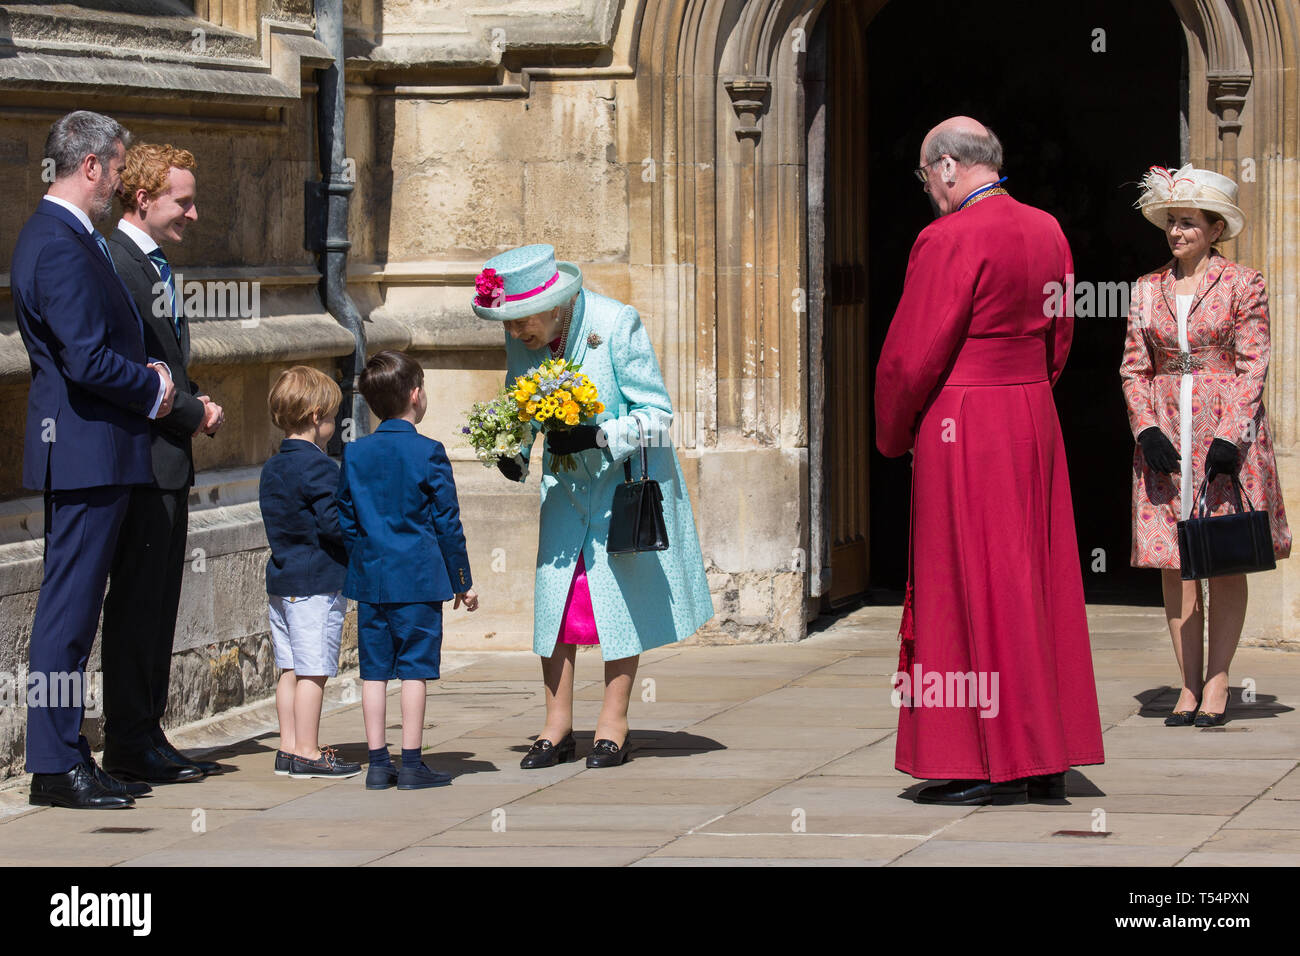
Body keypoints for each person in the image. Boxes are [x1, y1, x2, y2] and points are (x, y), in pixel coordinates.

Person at [874, 117, 1103, 805]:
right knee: (1033, 580)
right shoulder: (1049, 230)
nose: (928, 192)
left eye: (925, 178)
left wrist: (893, 433)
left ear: (948, 167)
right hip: (1032, 415)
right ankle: (1041, 753)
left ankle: (980, 758)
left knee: (963, 580)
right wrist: (1027, 396)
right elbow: (1060, 339)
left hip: (964, 420)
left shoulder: (946, 238)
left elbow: (913, 355)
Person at [473, 243, 714, 769]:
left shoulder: (616, 323)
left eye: (521, 321)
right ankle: (556, 728)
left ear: (554, 303)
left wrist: (602, 435)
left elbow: (658, 413)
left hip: (616, 489)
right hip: (563, 489)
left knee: (614, 602)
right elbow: (522, 405)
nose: (514, 333)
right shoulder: (522, 335)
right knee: (556, 608)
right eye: (507, 322)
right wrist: (513, 450)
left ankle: (613, 724)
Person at [13, 110, 176, 809]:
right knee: (68, 614)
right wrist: (154, 387)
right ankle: (52, 763)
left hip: (98, 452)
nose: (118, 179)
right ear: (90, 167)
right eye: (116, 166)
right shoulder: (57, 241)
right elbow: (83, 357)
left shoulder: (73, 238)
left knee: (76, 612)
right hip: (83, 452)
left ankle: (69, 752)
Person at [1121, 165, 1291, 727]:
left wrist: (1228, 438)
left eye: (1188, 223)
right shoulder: (1146, 289)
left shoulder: (1246, 283)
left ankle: (1218, 683)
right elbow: (1134, 368)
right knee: (1175, 560)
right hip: (1166, 429)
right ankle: (1186, 686)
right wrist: (1145, 427)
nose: (1177, 233)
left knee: (1221, 556)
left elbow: (1253, 363)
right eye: (1171, 222)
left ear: (1215, 229)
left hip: (1223, 433)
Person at [100, 143, 225, 785]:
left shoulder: (153, 263)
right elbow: (127, 371)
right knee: (138, 607)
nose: (193, 213)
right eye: (183, 200)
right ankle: (127, 741)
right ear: (143, 198)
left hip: (166, 463)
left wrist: (193, 397)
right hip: (143, 462)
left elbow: (165, 360)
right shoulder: (117, 262)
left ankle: (148, 732)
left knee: (158, 605)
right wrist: (191, 413)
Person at [336, 350, 478, 790]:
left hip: (372, 578)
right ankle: (412, 763)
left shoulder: (355, 453)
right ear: (416, 395)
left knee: (374, 671)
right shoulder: (429, 452)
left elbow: (345, 516)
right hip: (417, 580)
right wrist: (462, 581)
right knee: (415, 669)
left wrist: (364, 555)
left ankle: (379, 764)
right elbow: (447, 523)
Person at [259, 366, 360, 779]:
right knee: (313, 670)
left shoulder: (273, 466)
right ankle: (308, 750)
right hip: (315, 582)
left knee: (289, 669)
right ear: (317, 415)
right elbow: (332, 525)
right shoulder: (319, 468)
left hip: (283, 580)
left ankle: (287, 746)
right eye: (332, 416)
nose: (334, 425)